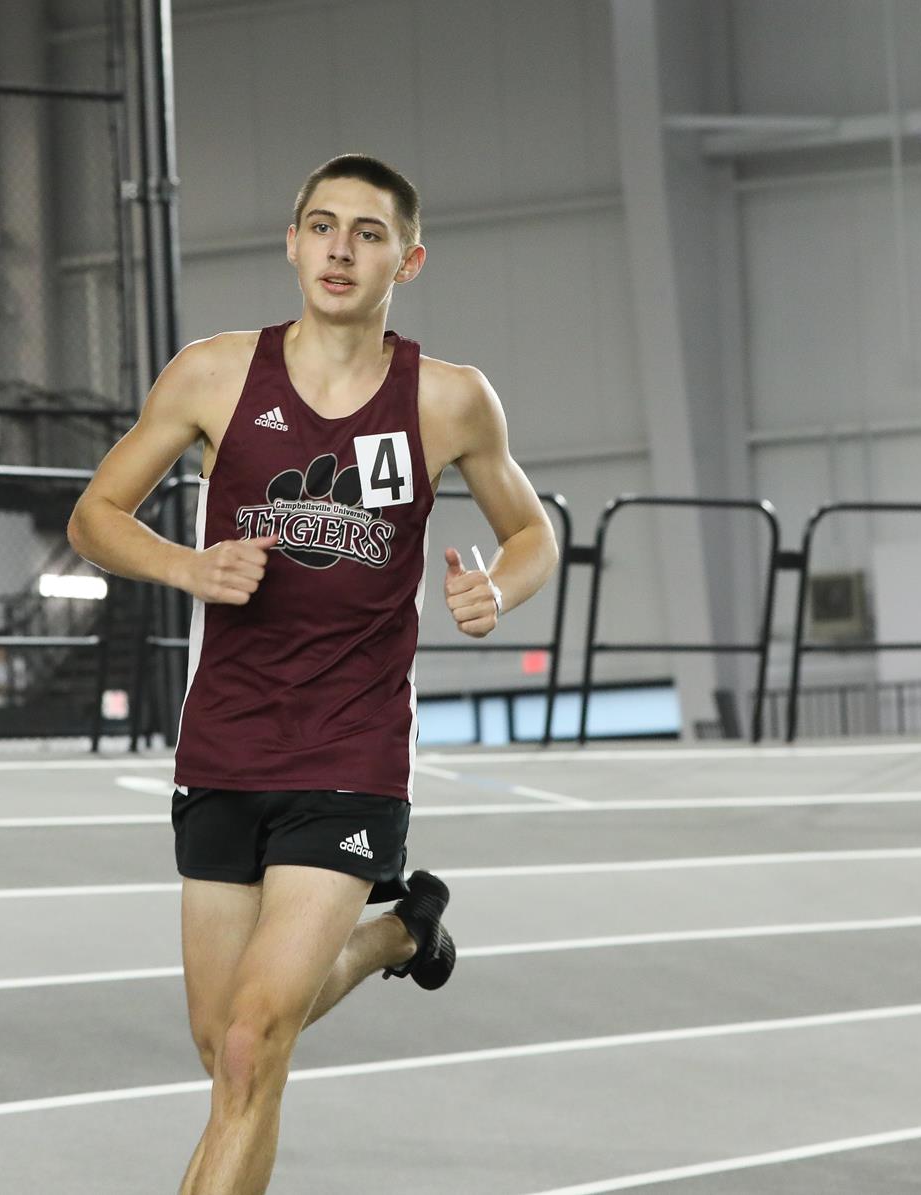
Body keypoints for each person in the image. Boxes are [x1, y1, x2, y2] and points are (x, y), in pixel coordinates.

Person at [68, 153, 558, 1195]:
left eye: (367, 232)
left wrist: (497, 592)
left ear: (407, 259)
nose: (340, 248)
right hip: (226, 742)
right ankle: (392, 935)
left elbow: (533, 534)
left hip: (351, 752)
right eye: (321, 226)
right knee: (225, 1041)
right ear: (289, 242)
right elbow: (95, 515)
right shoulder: (210, 374)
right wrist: (185, 564)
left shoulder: (449, 399)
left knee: (251, 1046)